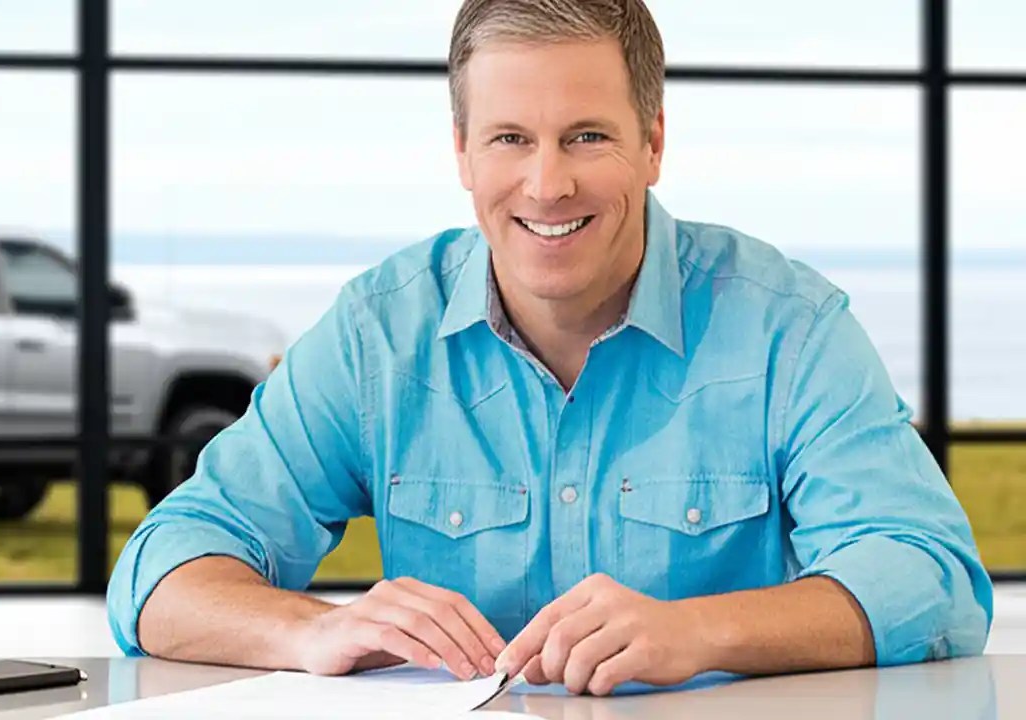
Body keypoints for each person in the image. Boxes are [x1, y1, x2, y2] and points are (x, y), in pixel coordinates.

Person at [108, 0, 993, 696]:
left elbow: (933, 578)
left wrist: (701, 631)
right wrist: (307, 629)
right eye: (509, 139)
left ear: (653, 143)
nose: (547, 184)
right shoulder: (379, 334)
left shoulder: (788, 327)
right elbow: (162, 571)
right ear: (462, 152)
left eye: (587, 136)